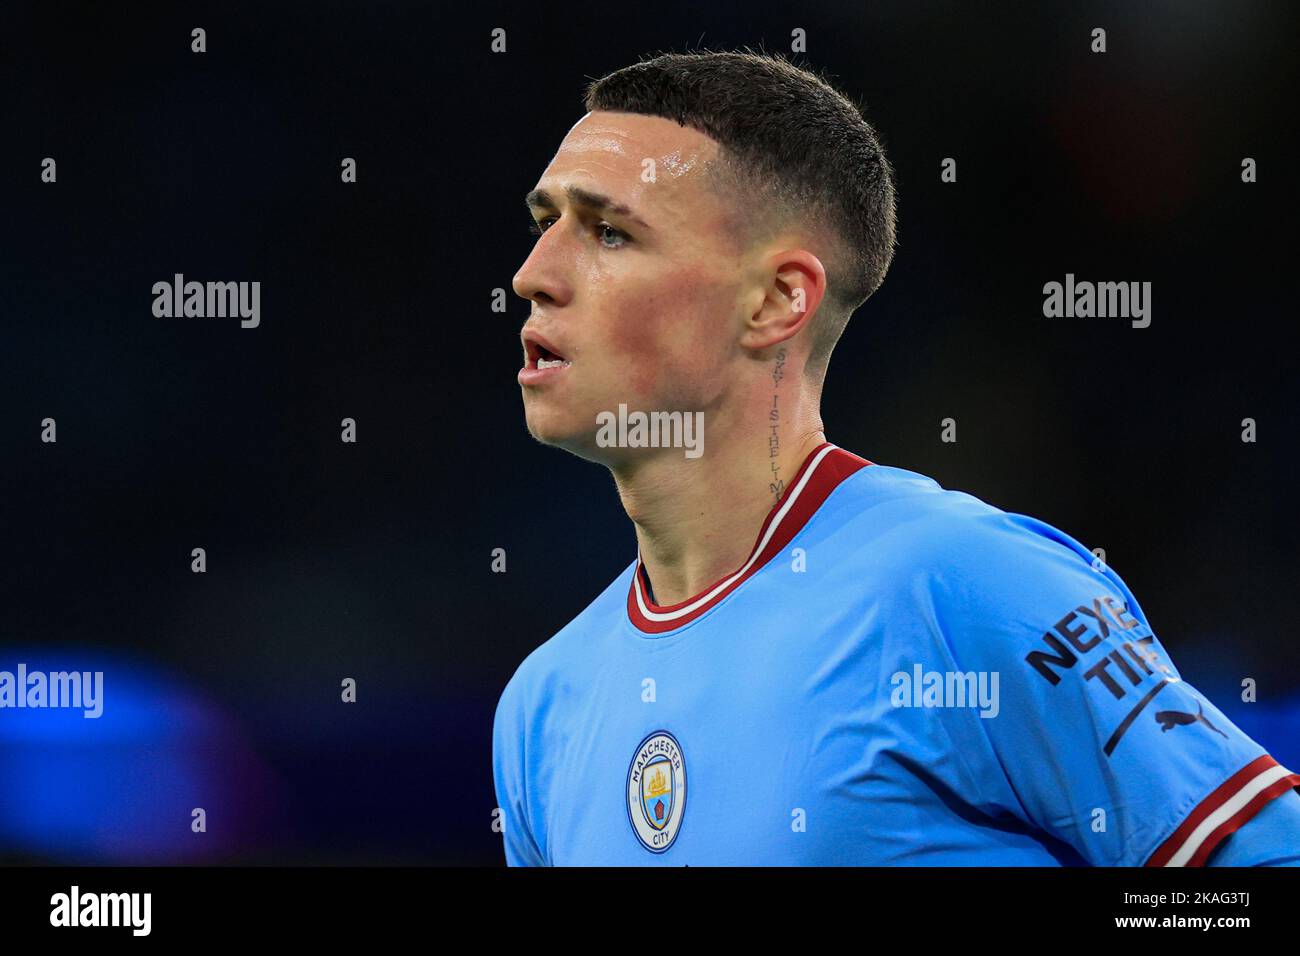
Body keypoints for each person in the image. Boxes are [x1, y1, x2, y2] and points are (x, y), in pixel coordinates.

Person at [493, 49, 1300, 865]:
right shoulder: (541, 706)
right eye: (542, 223)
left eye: (608, 232)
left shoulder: (966, 583)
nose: (533, 274)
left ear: (776, 301)